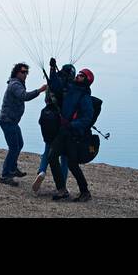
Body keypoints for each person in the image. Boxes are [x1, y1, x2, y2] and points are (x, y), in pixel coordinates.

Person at [50, 67, 95, 202]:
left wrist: (72, 125)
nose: (78, 76)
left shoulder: (84, 97)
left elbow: (88, 118)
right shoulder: (70, 87)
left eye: (81, 75)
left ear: (86, 80)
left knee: (72, 164)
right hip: (63, 131)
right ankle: (62, 190)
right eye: (79, 74)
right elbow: (55, 85)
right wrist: (52, 69)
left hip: (73, 134)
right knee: (52, 157)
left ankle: (85, 192)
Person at [0, 63, 45, 186]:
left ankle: (12, 169)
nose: (25, 75)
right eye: (22, 72)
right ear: (16, 72)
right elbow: (25, 96)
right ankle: (5, 175)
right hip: (8, 121)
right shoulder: (15, 85)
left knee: (19, 144)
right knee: (14, 147)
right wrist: (40, 90)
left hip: (12, 121)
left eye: (26, 72)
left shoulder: (17, 84)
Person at [32, 59, 71, 194]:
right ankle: (62, 183)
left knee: (47, 150)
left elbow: (51, 90)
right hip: (60, 125)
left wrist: (52, 69)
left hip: (47, 120)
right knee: (64, 156)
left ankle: (42, 171)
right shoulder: (69, 88)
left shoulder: (51, 85)